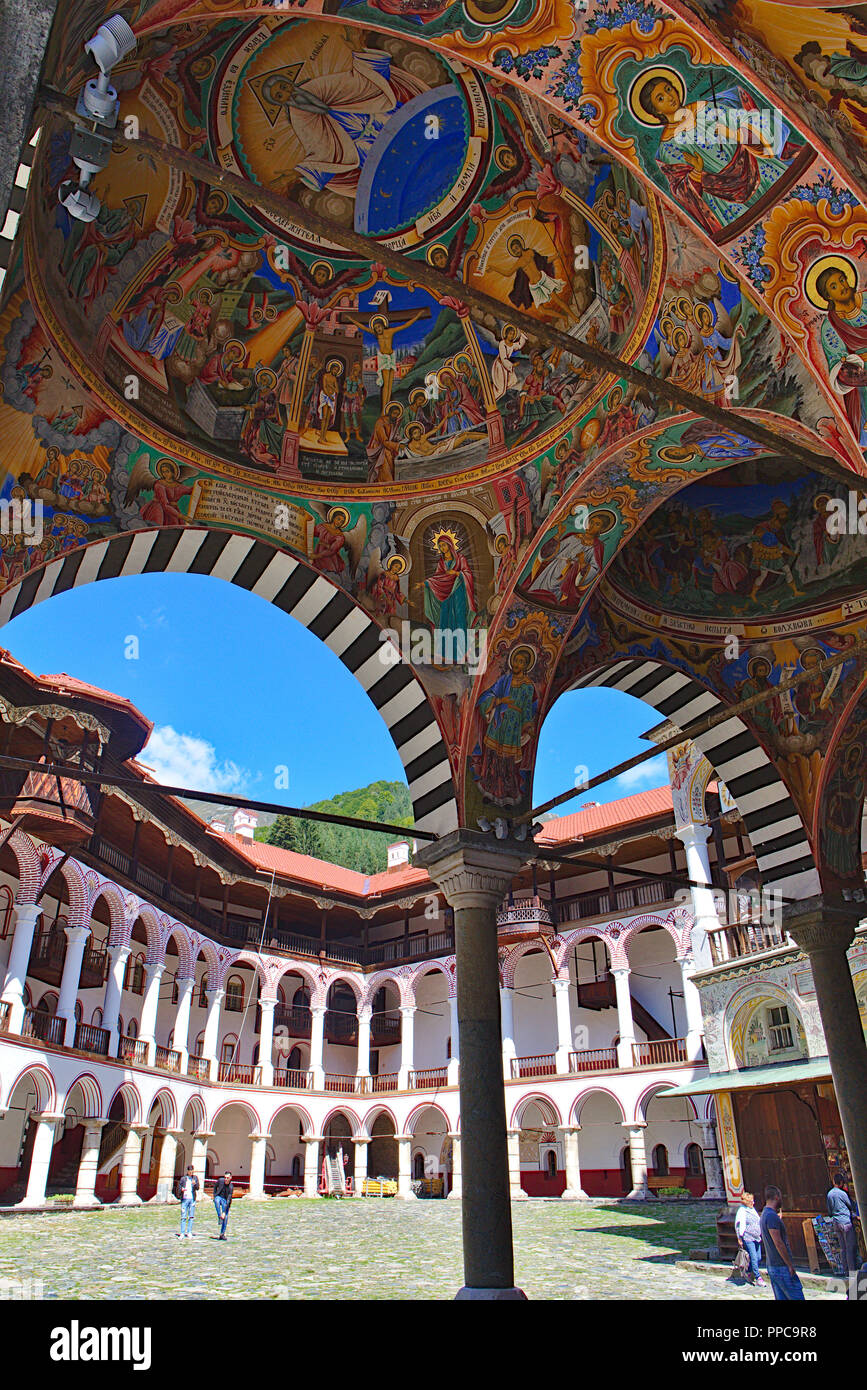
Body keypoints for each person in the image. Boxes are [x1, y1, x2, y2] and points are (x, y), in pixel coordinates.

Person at [760, 1186, 804, 1300]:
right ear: (776, 1197)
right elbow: (778, 1242)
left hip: (773, 1265)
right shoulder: (771, 1216)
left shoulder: (765, 1214)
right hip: (781, 1266)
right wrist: (789, 1265)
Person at [827, 1172, 860, 1277]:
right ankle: (852, 1271)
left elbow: (830, 1211)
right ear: (841, 1182)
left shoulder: (830, 1194)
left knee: (843, 1248)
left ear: (833, 1182)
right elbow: (850, 1205)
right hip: (845, 1222)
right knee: (850, 1247)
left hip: (836, 1222)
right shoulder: (842, 1194)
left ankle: (846, 1271)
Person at [734, 1191, 765, 1286]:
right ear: (746, 1202)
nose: (753, 1202)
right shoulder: (742, 1211)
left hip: (756, 1237)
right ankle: (758, 1277)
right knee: (754, 1257)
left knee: (758, 1257)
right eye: (751, 1201)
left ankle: (749, 1271)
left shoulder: (752, 1209)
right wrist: (739, 1238)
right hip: (748, 1237)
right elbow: (738, 1225)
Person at [177, 1165, 198, 1239]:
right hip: (185, 1198)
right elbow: (179, 1188)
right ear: (187, 1171)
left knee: (191, 1216)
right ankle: (182, 1232)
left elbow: (197, 1188)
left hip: (192, 1199)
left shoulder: (195, 1178)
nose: (191, 1172)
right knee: (183, 1216)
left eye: (192, 1171)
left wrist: (194, 1184)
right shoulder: (183, 1179)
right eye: (190, 1171)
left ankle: (189, 1232)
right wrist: (181, 1190)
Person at [214, 1171, 234, 1240]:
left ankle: (222, 1234)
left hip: (225, 1201)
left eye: (227, 1178)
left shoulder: (231, 1187)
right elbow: (215, 1187)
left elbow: (228, 1199)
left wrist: (224, 1212)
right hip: (219, 1197)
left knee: (225, 1217)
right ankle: (219, 1216)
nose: (226, 1179)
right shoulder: (220, 1180)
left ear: (230, 1178)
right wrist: (214, 1195)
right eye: (225, 1177)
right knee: (216, 1200)